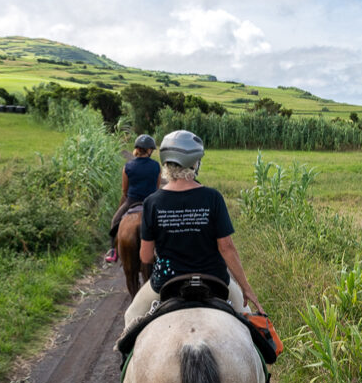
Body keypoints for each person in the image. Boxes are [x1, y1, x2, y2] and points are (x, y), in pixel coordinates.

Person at [122, 129, 261, 326]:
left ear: (166, 162)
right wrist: (246, 288)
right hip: (214, 278)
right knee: (252, 324)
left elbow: (145, 257)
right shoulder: (213, 197)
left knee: (131, 316)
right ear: (195, 162)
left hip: (166, 281)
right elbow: (227, 248)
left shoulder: (152, 202)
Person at [105, 134, 161, 263]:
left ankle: (113, 251)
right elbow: (157, 187)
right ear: (148, 150)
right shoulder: (156, 166)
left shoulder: (128, 166)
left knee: (115, 221)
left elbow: (124, 190)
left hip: (131, 201)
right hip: (151, 203)